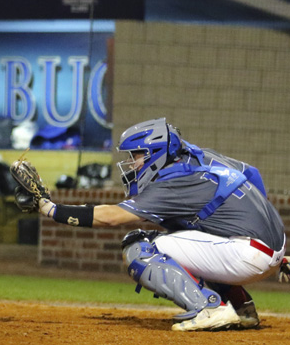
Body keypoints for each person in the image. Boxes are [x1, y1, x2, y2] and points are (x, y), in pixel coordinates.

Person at [28, 118, 286, 332]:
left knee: (138, 246)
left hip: (246, 254)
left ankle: (209, 308)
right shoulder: (201, 157)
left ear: (156, 154)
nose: (133, 163)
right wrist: (266, 236)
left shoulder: (173, 182)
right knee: (186, 234)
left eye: (137, 155)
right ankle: (242, 310)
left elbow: (111, 217)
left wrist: (49, 208)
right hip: (272, 248)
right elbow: (252, 174)